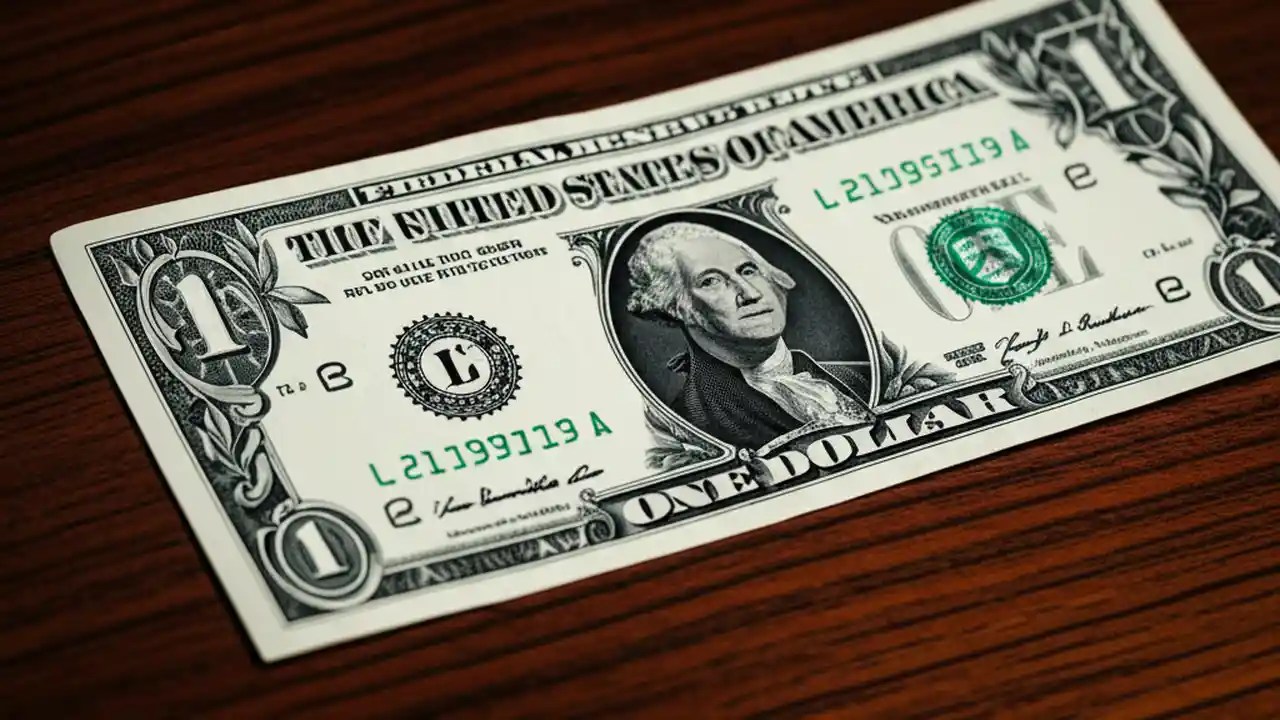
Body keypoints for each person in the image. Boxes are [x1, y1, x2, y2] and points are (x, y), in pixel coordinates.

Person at [626, 221, 874, 448]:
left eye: (747, 271)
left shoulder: (861, 377)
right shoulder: (690, 429)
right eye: (711, 281)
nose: (750, 293)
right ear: (675, 306)